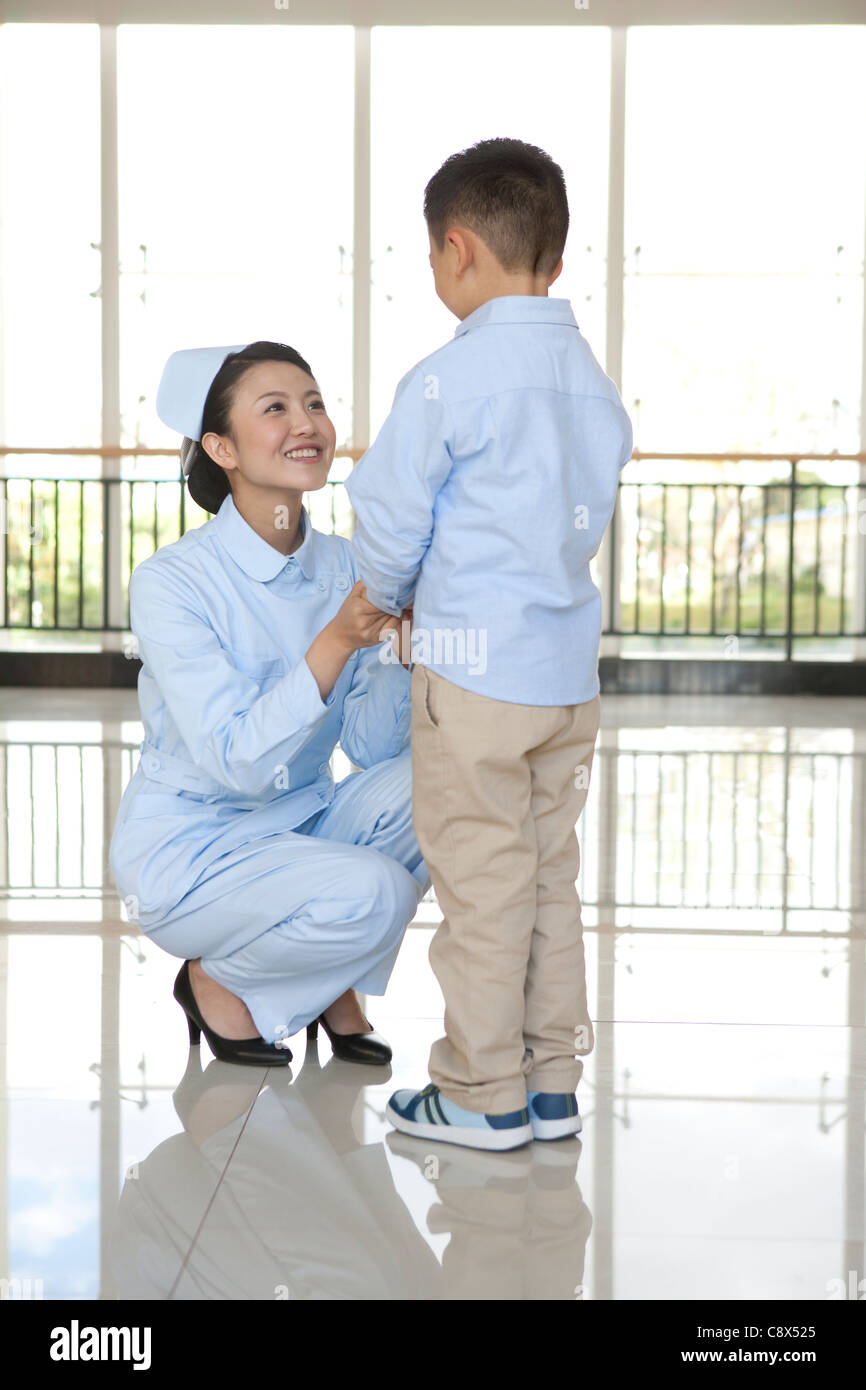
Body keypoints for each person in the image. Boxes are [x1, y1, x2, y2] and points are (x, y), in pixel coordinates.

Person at [345, 138, 633, 1148]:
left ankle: (478, 1092)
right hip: (563, 678)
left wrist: (383, 598)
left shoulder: (446, 380)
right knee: (548, 875)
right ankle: (549, 1084)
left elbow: (387, 520)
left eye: (430, 257)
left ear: (456, 251)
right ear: (550, 261)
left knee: (481, 885)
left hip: (470, 674)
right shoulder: (592, 386)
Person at [109, 340, 429, 1067]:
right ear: (220, 446)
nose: (306, 423)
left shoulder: (350, 566)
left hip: (302, 822)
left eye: (314, 403)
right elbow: (237, 761)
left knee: (437, 785)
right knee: (377, 893)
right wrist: (337, 641)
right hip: (194, 849)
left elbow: (377, 751)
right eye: (276, 408)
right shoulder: (173, 583)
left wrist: (402, 654)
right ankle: (218, 981)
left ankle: (318, 979)